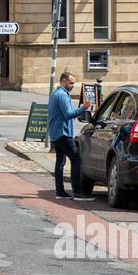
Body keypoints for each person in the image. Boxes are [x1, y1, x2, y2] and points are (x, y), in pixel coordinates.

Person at [48, 71, 93, 199]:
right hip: (63, 133)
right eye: (71, 82)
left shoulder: (56, 93)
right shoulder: (62, 95)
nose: (73, 85)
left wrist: (77, 113)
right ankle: (78, 192)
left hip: (56, 132)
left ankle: (60, 191)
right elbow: (68, 114)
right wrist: (83, 108)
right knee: (76, 160)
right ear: (64, 81)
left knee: (60, 162)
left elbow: (64, 114)